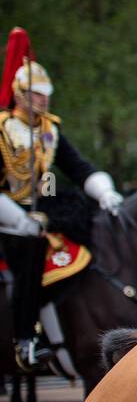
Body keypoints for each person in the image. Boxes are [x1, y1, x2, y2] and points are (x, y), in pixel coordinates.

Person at [0, 29, 124, 371]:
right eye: (37, 95)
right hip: (8, 216)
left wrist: (105, 192)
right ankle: (24, 338)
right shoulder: (3, 130)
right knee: (30, 249)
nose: (44, 100)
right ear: (20, 94)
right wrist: (18, 219)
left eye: (45, 94)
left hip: (43, 213)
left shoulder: (50, 130)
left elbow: (78, 168)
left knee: (86, 233)